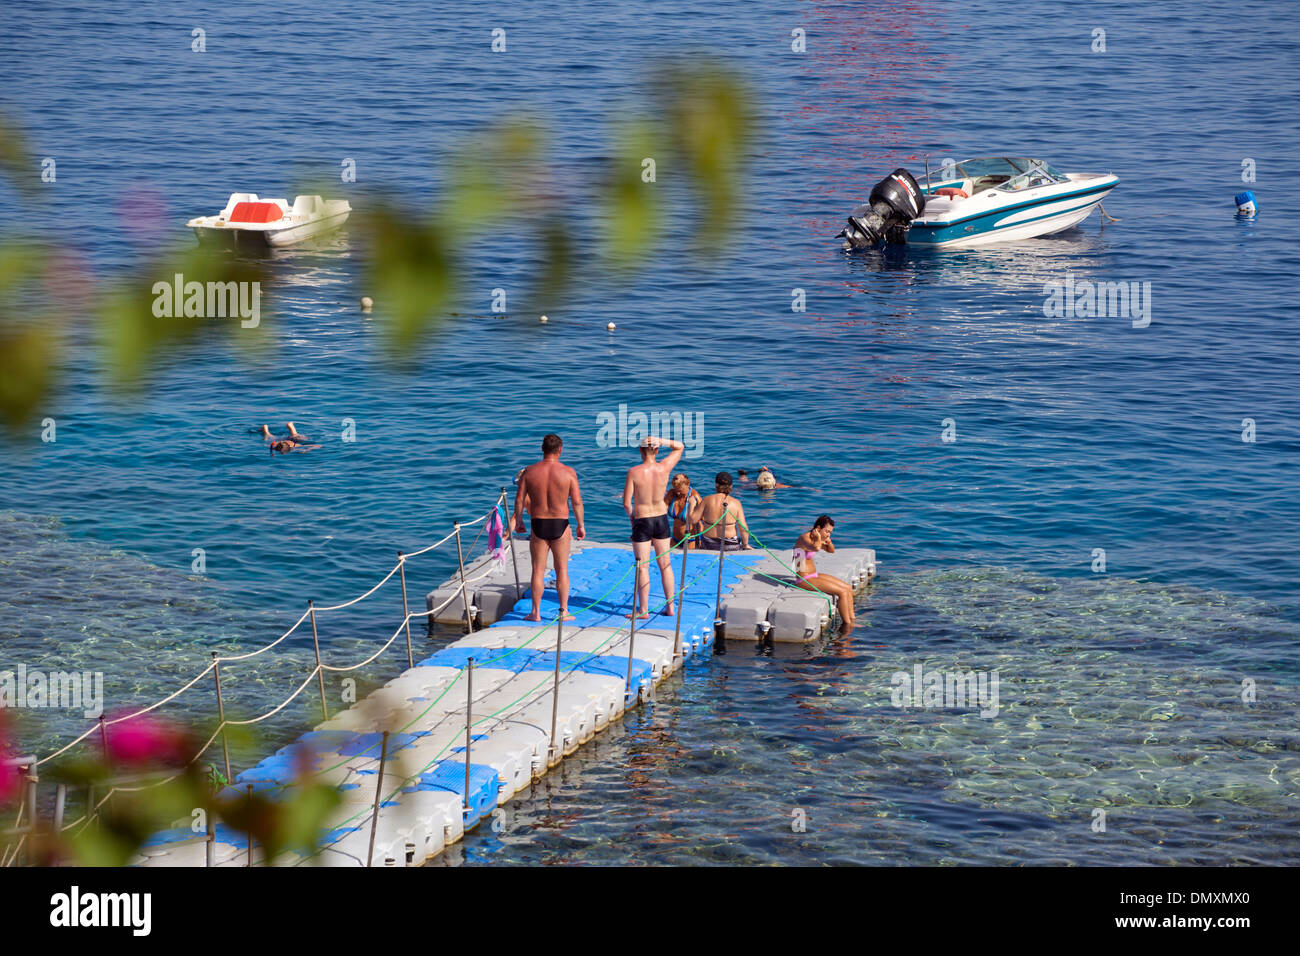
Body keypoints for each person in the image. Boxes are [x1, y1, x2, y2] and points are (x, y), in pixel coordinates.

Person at [514, 434, 585, 622]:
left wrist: (519, 520)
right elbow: (577, 502)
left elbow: (520, 499)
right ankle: (564, 611)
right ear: (560, 450)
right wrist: (581, 525)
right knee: (561, 569)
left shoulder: (530, 472)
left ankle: (535, 613)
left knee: (537, 570)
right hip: (560, 524)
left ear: (542, 449)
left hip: (538, 523)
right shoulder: (568, 472)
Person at [623, 436, 684, 619]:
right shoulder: (664, 467)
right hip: (661, 519)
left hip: (643, 520)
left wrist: (633, 519)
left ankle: (643, 610)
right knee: (665, 565)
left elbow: (627, 503)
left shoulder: (633, 472)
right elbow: (680, 447)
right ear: (656, 451)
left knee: (643, 567)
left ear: (640, 451)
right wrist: (660, 440)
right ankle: (670, 606)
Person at [791, 515, 855, 631]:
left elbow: (831, 550)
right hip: (804, 580)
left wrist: (828, 540)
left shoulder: (819, 538)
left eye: (830, 532)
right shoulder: (804, 538)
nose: (828, 534)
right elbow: (815, 548)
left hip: (813, 575)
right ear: (818, 528)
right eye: (827, 531)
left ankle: (853, 619)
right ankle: (847, 625)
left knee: (847, 588)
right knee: (841, 592)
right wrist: (818, 539)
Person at [691, 472, 750, 551]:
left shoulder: (707, 500)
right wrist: (745, 545)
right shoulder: (736, 503)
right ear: (731, 486)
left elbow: (693, 520)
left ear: (716, 485)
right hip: (730, 545)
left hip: (709, 544)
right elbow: (743, 528)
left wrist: (691, 505)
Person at [665, 472, 701, 548]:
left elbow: (704, 518)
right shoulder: (672, 494)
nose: (677, 493)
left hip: (691, 540)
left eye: (680, 490)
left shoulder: (694, 497)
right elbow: (661, 511)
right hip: (675, 539)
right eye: (675, 489)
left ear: (687, 485)